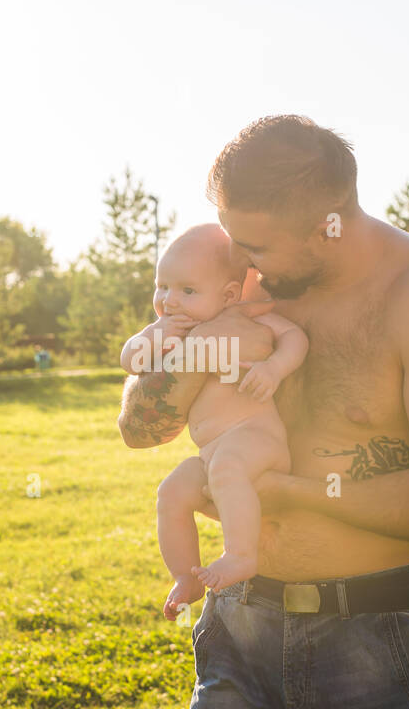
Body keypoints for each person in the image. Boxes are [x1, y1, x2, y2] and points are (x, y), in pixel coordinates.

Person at [116, 114, 409, 709]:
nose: (240, 262)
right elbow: (140, 428)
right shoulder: (243, 286)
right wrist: (212, 341)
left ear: (326, 222)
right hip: (237, 629)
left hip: (370, 642)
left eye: (255, 246)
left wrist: (293, 492)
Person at [119, 224, 308, 621]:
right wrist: (155, 336)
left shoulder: (248, 315)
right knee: (171, 493)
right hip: (212, 451)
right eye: (162, 287)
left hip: (257, 438)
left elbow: (295, 338)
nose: (170, 301)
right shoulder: (169, 330)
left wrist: (273, 369)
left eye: (187, 291)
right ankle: (185, 578)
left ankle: (240, 555)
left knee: (227, 468)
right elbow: (130, 361)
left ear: (227, 295)